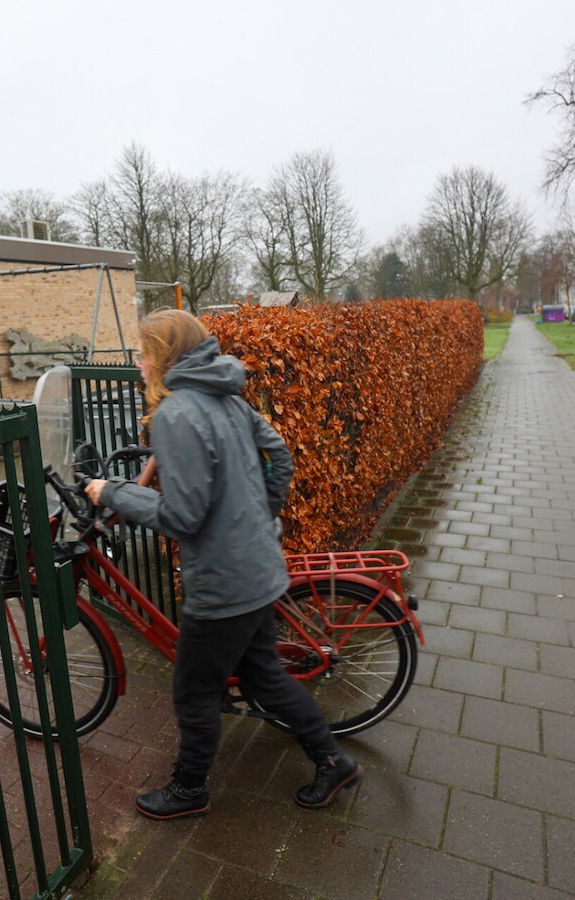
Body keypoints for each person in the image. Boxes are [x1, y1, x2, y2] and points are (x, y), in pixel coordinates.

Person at [85, 309, 360, 821]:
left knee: (194, 691)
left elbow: (183, 516)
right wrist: (260, 514)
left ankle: (189, 789)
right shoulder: (226, 396)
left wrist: (114, 492)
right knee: (264, 679)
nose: (139, 364)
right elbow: (279, 453)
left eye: (144, 353)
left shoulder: (176, 413)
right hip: (257, 566)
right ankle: (333, 761)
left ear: (164, 354)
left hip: (224, 585)